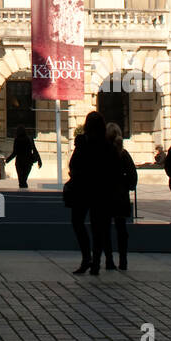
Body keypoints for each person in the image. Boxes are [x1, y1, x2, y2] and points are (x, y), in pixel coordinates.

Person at [68, 111, 120, 275]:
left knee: (78, 222)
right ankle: (96, 263)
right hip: (101, 191)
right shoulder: (108, 146)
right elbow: (114, 170)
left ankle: (86, 257)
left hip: (83, 189)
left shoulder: (83, 142)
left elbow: (73, 164)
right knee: (99, 227)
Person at [105, 122, 138, 271]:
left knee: (104, 230)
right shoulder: (123, 155)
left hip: (105, 197)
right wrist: (125, 186)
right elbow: (133, 178)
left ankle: (109, 260)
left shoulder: (102, 153)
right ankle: (123, 260)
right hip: (120, 197)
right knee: (121, 230)